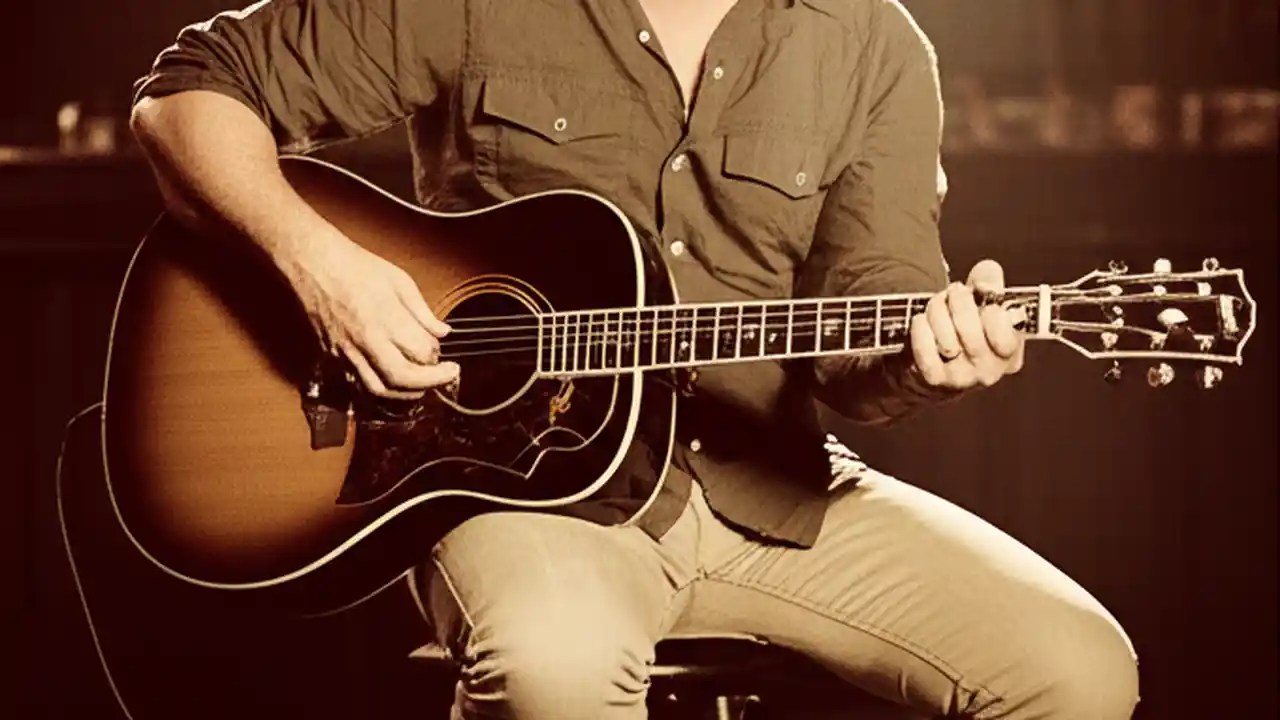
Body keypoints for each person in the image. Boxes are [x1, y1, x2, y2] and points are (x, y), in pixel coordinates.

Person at [129, 1, 1139, 717]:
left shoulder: (873, 41)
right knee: (553, 669)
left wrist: (927, 360)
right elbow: (184, 99)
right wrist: (323, 269)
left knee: (1076, 671)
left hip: (768, 487)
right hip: (518, 493)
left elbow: (857, 350)